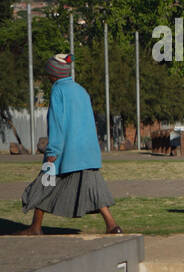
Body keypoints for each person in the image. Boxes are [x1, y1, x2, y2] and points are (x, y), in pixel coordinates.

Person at [19, 54, 122, 235]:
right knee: (94, 189)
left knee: (44, 184)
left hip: (66, 152)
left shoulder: (58, 91)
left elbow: (57, 123)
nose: (47, 76)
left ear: (54, 74)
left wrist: (52, 151)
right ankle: (112, 225)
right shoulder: (81, 90)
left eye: (48, 73)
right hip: (87, 152)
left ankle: (35, 227)